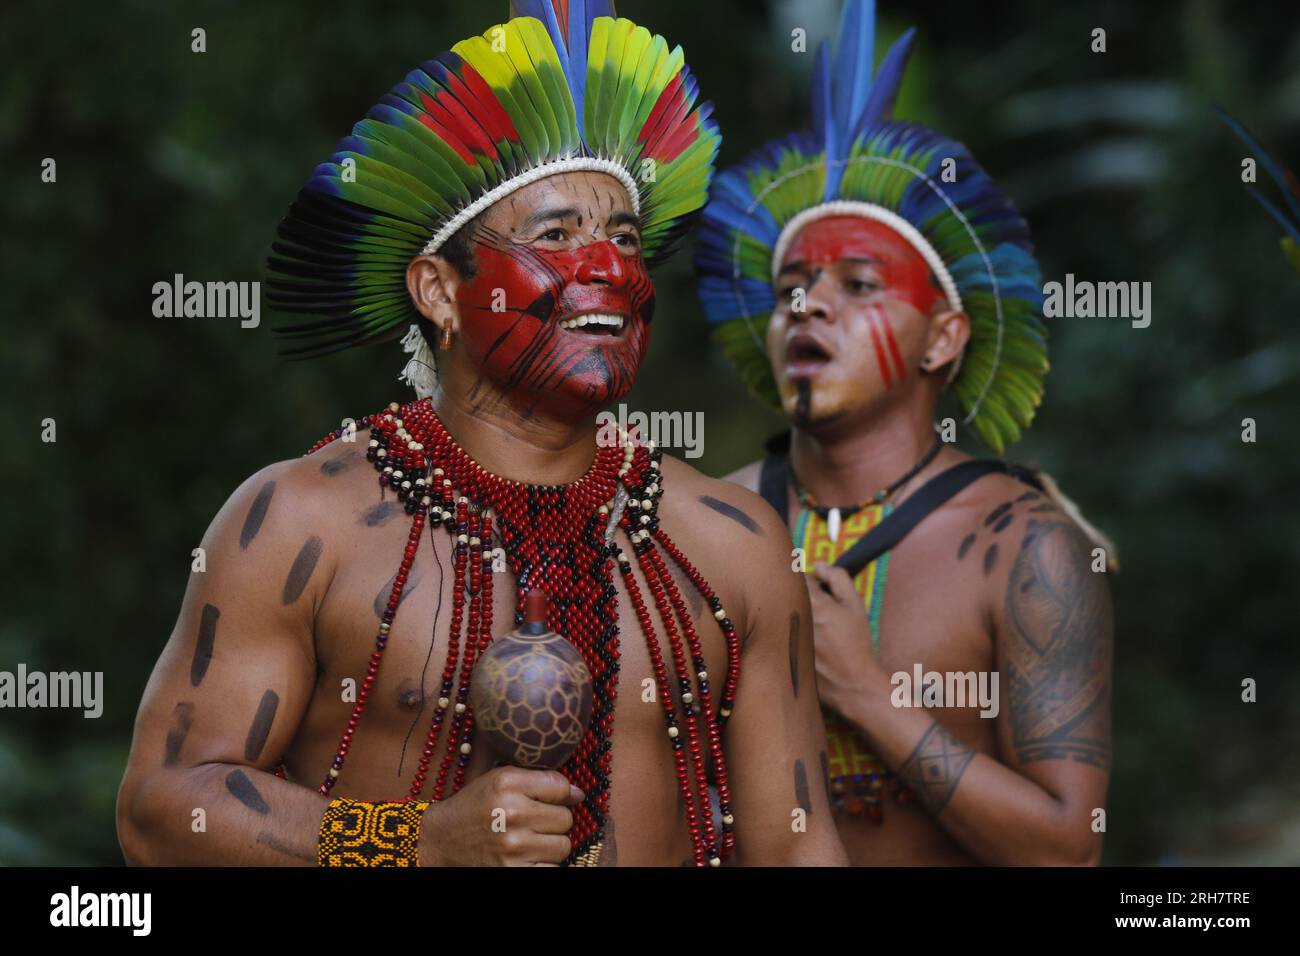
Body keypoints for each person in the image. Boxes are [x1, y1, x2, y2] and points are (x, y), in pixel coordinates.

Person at [116, 0, 845, 868]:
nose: (613, 268)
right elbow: (163, 809)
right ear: (437, 291)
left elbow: (800, 852)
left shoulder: (735, 545)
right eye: (558, 235)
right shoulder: (301, 520)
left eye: (624, 237)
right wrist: (416, 843)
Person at [695, 0, 1114, 865]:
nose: (809, 305)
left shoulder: (1023, 547)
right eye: (791, 291)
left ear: (945, 337)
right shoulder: (705, 530)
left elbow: (1066, 847)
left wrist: (869, 697)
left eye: (858, 285)